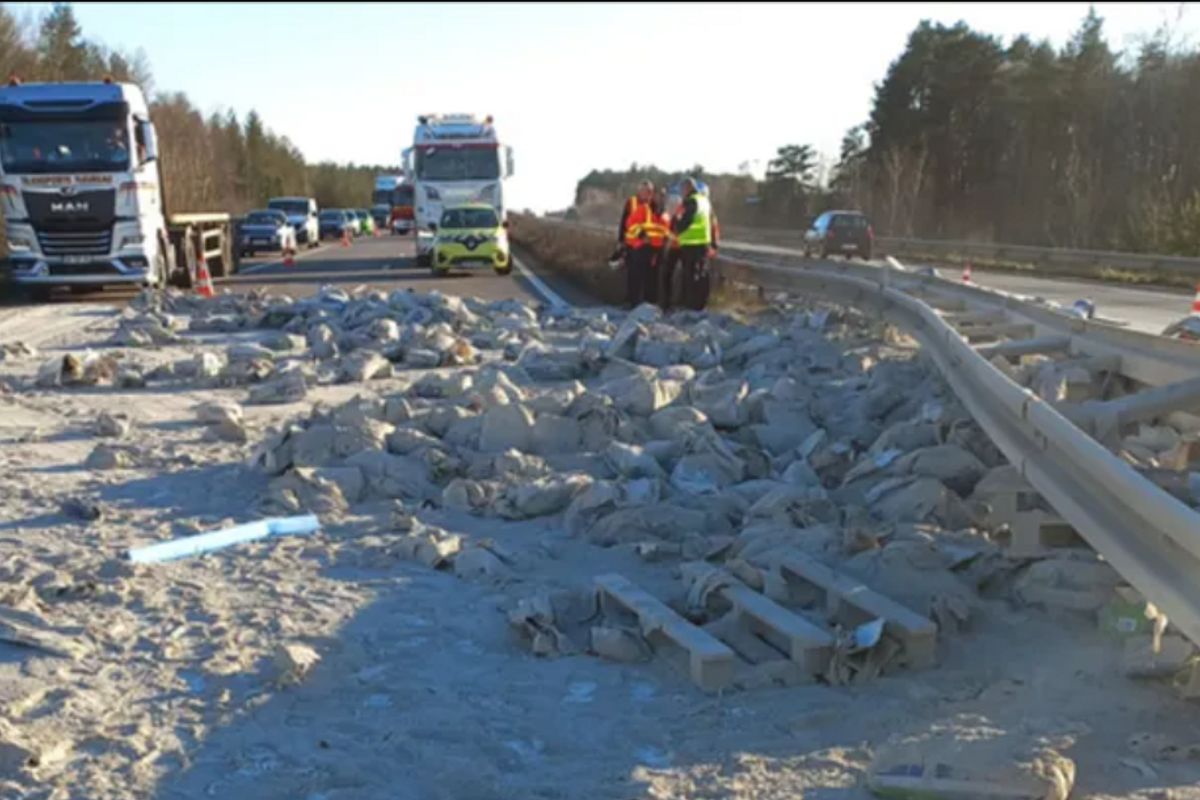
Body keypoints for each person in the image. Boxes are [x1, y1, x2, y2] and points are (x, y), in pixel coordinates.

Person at [615, 179, 668, 308]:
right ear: (639, 191)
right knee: (634, 274)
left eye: (649, 191)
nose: (647, 193)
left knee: (650, 275)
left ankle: (648, 303)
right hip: (633, 244)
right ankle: (632, 302)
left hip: (650, 246)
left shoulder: (655, 205)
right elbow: (625, 222)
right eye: (644, 190)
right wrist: (621, 241)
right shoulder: (631, 202)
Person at [670, 177, 716, 310]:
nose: (681, 193)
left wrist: (676, 225)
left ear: (687, 188)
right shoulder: (704, 201)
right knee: (702, 274)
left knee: (690, 276)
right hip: (703, 243)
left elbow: (686, 221)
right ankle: (701, 304)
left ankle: (692, 305)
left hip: (691, 244)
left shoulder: (691, 201)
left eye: (682, 190)